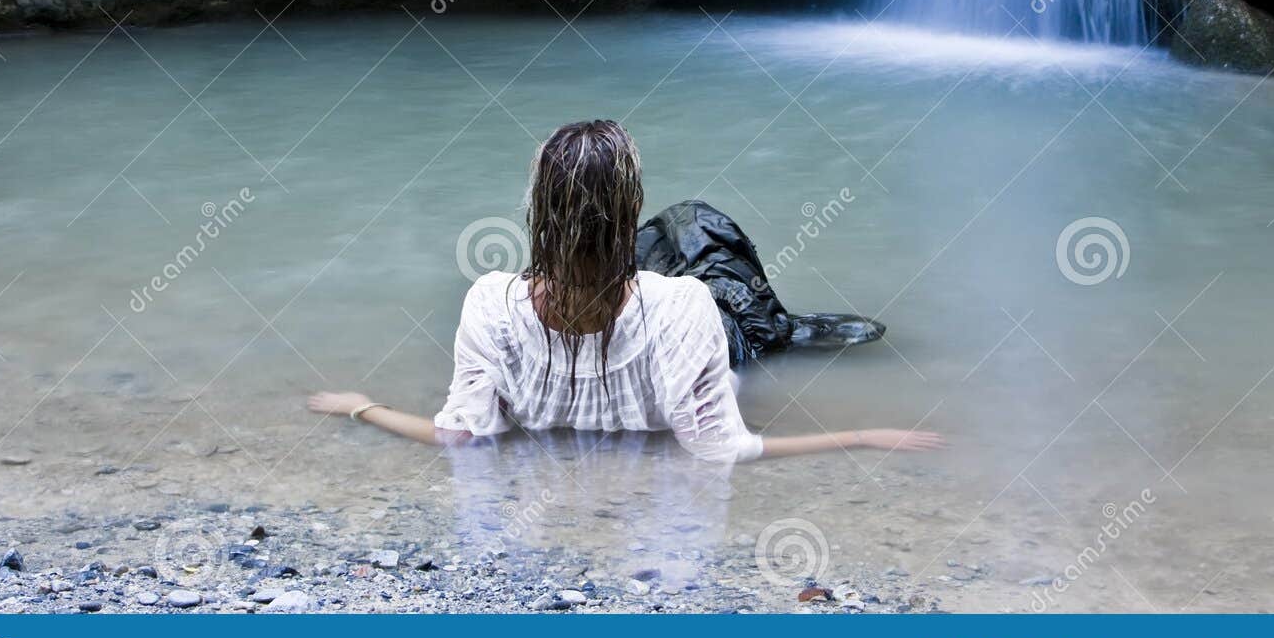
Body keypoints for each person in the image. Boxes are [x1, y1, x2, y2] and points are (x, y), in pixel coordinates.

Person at [309, 119, 945, 463]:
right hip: (708, 332)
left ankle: (613, 247)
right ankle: (781, 330)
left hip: (630, 304)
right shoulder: (686, 303)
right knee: (695, 221)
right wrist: (858, 437)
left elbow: (460, 437)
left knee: (665, 240)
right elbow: (721, 447)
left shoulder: (490, 303)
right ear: (628, 204)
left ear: (537, 210)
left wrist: (362, 406)